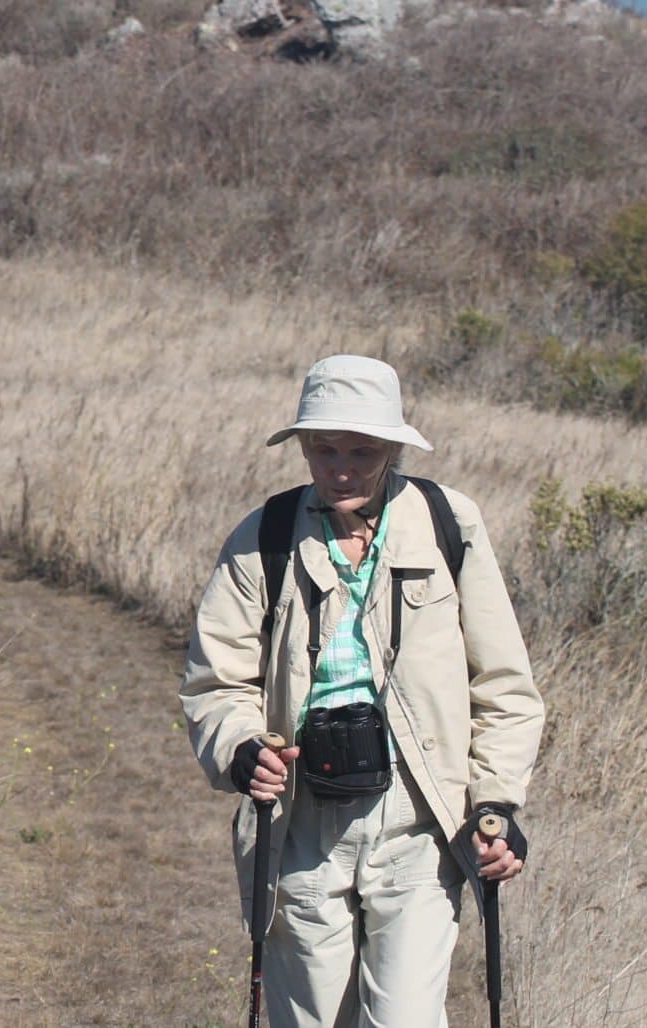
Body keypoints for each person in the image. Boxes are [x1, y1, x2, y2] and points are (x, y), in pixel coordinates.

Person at [181, 355, 544, 1028]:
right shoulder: (264, 537)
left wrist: (495, 803)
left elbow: (504, 686)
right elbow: (215, 680)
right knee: (312, 1018)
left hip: (421, 818)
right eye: (325, 450)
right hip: (301, 815)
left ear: (393, 449)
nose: (342, 467)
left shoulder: (447, 524)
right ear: (303, 448)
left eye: (362, 451)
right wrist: (238, 748)